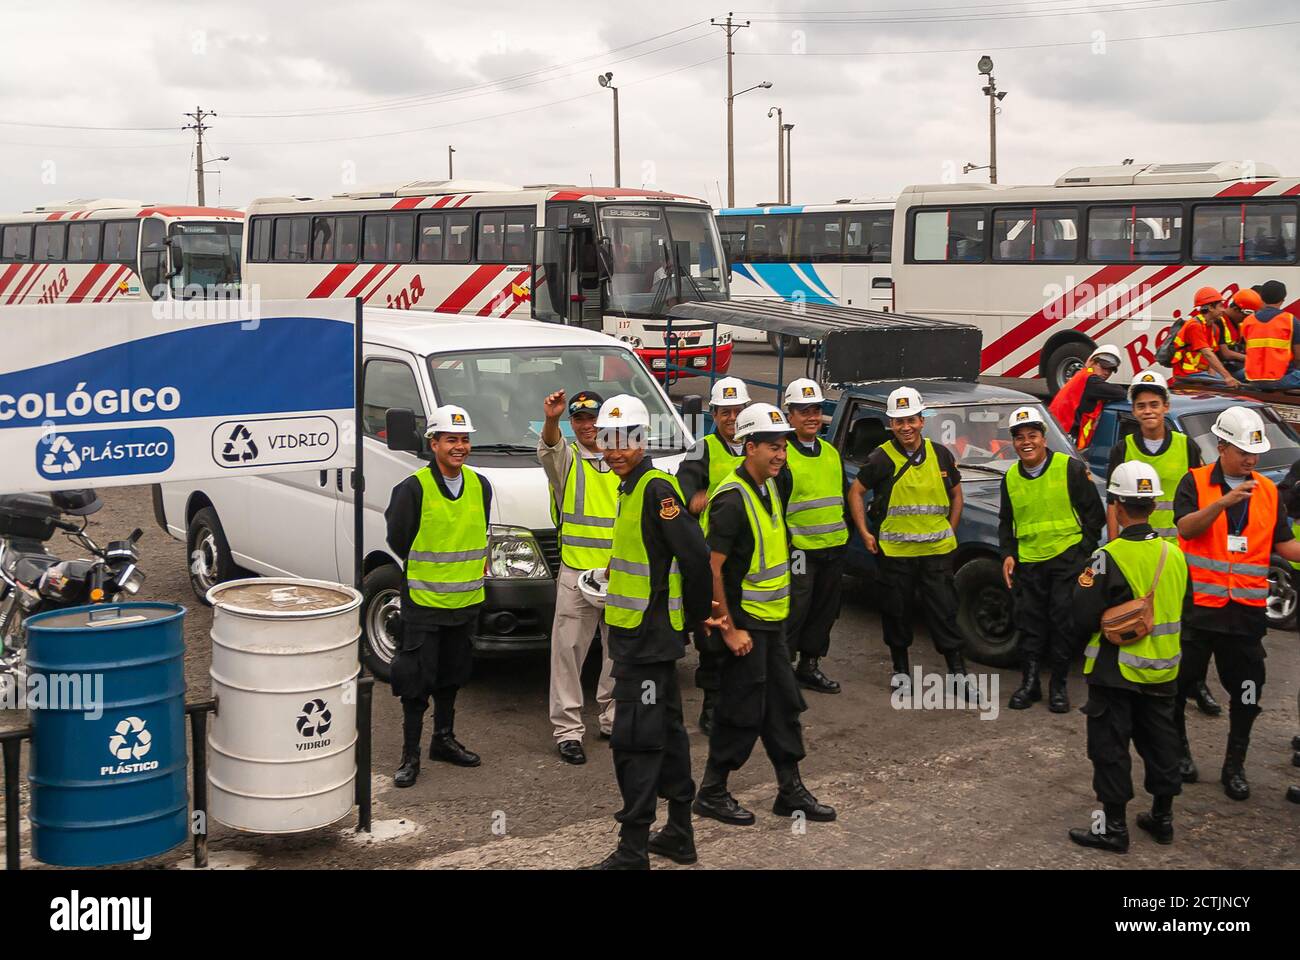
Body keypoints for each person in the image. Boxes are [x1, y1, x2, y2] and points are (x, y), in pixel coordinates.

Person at [694, 402, 835, 826]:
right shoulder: (731, 501)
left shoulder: (770, 485)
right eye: (772, 446)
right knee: (742, 708)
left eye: (784, 447)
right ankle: (712, 791)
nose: (781, 454)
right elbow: (711, 570)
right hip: (745, 626)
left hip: (770, 623)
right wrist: (730, 630)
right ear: (748, 446)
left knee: (783, 705)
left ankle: (789, 790)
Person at [588, 395, 714, 870]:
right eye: (608, 440)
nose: (616, 449)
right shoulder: (631, 488)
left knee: (635, 741)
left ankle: (633, 848)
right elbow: (649, 560)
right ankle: (679, 832)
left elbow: (696, 555)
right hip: (641, 634)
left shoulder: (654, 490)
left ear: (642, 440)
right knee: (667, 732)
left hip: (646, 638)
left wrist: (700, 618)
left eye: (626, 440)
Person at [1173, 406, 1300, 800]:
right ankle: (1179, 753)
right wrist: (1223, 503)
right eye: (1244, 451)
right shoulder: (1194, 483)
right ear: (1221, 446)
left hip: (1244, 618)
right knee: (1179, 687)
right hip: (1199, 612)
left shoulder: (1267, 491)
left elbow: (1284, 544)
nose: (1251, 458)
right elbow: (1186, 529)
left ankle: (1235, 765)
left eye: (1255, 451)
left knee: (1247, 692)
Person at [1067, 461, 1190, 853]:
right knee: (1162, 744)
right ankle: (1163, 819)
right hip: (1164, 670)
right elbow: (1183, 608)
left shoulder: (1106, 557)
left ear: (1117, 504)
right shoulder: (1175, 556)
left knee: (1110, 747)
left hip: (1116, 672)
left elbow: (1081, 616)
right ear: (1153, 505)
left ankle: (1114, 829)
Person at [385, 404, 490, 788]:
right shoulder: (413, 488)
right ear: (434, 444)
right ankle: (409, 756)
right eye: (451, 440)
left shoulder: (481, 485)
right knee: (416, 683)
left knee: (452, 677)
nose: (459, 447)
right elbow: (398, 539)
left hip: (465, 604)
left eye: (464, 439)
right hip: (425, 605)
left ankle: (443, 740)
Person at [846, 386, 976, 695]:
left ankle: (959, 675)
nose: (906, 427)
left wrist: (951, 529)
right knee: (897, 613)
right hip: (896, 554)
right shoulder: (881, 458)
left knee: (945, 613)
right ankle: (901, 672)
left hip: (936, 553)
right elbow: (856, 492)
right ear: (890, 424)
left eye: (911, 419)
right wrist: (864, 532)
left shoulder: (940, 454)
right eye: (898, 421)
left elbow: (957, 494)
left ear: (921, 420)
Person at [1104, 369, 1218, 717]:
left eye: (1154, 404)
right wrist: (1113, 547)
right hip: (1137, 552)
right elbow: (1113, 503)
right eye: (1141, 405)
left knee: (1189, 624)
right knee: (1141, 616)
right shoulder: (1122, 449)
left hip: (1179, 553)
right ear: (1133, 410)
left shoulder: (1187, 447)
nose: (1148, 410)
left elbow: (1200, 496)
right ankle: (1144, 678)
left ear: (1166, 407)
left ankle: (1195, 682)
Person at [999, 406, 1104, 712]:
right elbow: (1007, 522)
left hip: (1065, 562)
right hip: (1029, 563)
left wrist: (1080, 553)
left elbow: (1093, 516)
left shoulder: (1069, 468)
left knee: (1062, 625)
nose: (1026, 442)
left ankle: (1057, 686)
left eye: (1032, 435)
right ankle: (1029, 684)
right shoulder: (1010, 478)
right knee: (1030, 625)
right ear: (1014, 443)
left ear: (1044, 438)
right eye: (1019, 437)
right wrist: (1007, 554)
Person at [537, 389, 617, 765]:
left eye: (594, 419)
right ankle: (568, 732)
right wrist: (550, 419)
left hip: (620, 575)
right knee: (568, 654)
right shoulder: (567, 462)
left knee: (618, 655)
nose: (588, 426)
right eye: (580, 420)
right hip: (577, 573)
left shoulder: (622, 462)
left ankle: (613, 720)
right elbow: (551, 447)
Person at [677, 375, 751, 733]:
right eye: (725, 412)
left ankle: (741, 701)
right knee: (713, 630)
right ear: (714, 413)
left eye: (738, 411)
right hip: (714, 555)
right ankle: (711, 706)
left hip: (750, 558)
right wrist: (694, 497)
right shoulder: (703, 447)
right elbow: (685, 481)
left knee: (748, 626)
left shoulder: (758, 445)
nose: (732, 418)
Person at [776, 377, 850, 694]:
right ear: (789, 415)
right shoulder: (782, 456)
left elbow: (841, 497)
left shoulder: (831, 453)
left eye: (816, 410)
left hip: (833, 548)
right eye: (803, 410)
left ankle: (809, 665)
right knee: (794, 611)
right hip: (799, 550)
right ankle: (782, 670)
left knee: (824, 612)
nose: (811, 417)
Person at [1047, 344, 1130, 450]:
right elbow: (1121, 393)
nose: (1106, 372)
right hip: (1063, 436)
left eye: (1110, 370)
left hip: (1056, 432)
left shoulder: (1083, 375)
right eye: (1103, 367)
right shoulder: (1090, 380)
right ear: (1092, 363)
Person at [1168, 286, 1243, 388]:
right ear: (1210, 308)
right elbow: (1207, 354)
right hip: (1187, 374)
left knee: (1231, 384)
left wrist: (1214, 374)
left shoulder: (1213, 328)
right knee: (1227, 387)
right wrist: (1227, 377)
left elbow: (1212, 355)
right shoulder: (1194, 326)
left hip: (1200, 372)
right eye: (1220, 305)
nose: (1223, 309)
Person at [1240, 279, 1300, 388]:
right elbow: (1298, 355)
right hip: (1282, 378)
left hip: (1253, 379)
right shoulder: (1291, 320)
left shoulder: (1248, 321)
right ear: (1283, 299)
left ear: (1261, 298)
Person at [1219, 288, 1262, 378]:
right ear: (1235, 309)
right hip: (1225, 370)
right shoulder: (1219, 321)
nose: (1246, 319)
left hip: (1235, 366)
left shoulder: (1237, 324)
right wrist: (1250, 359)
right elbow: (1225, 354)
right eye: (1245, 316)